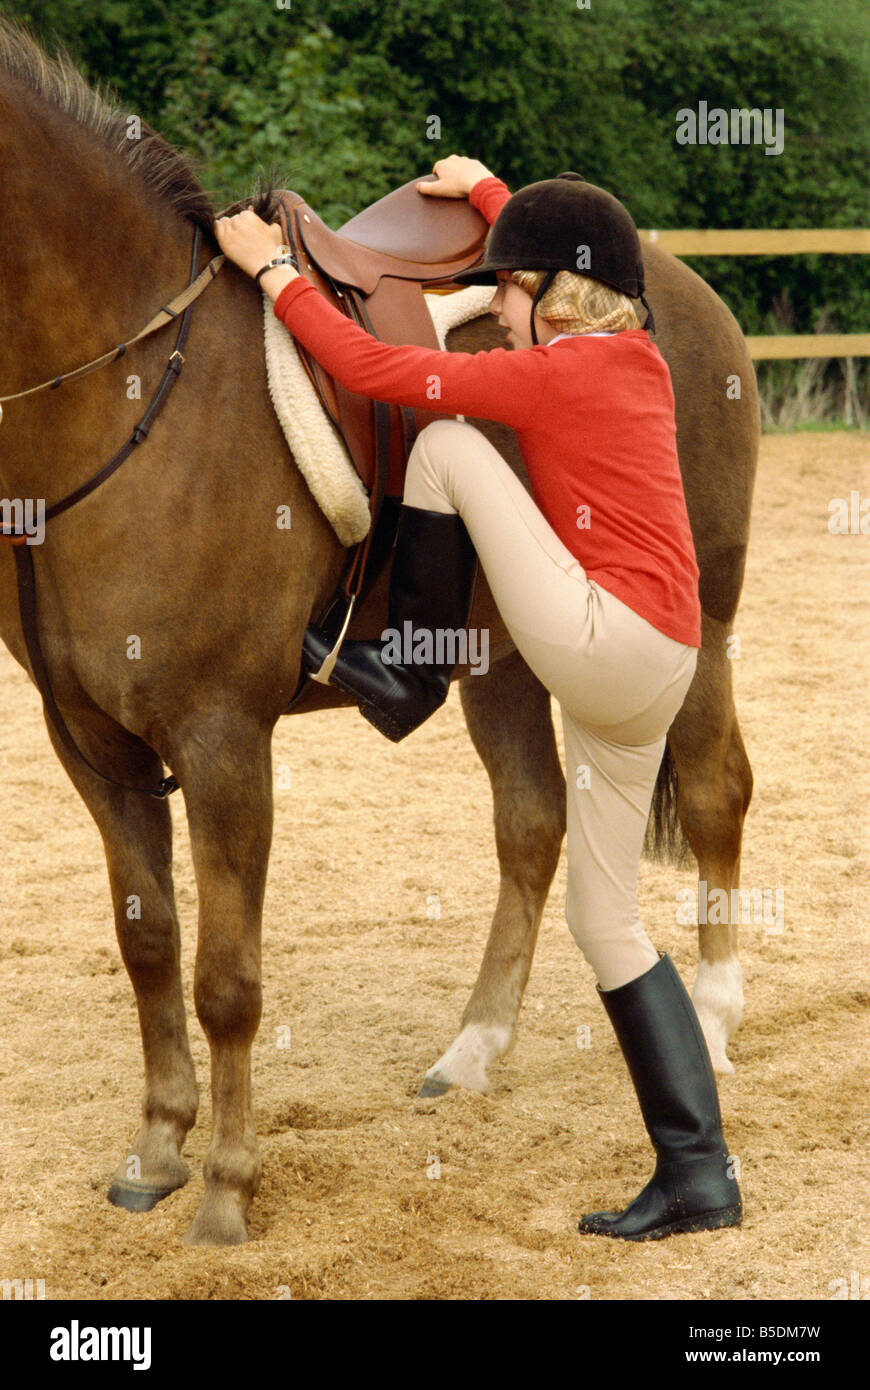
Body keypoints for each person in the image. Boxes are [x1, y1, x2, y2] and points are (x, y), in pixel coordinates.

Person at [215, 156, 742, 1241]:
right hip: (659, 667)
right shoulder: (633, 352)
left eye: (508, 290)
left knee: (448, 444)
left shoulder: (546, 376)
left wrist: (275, 275)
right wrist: (496, 193)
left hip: (601, 647)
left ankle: (406, 671)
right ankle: (701, 1175)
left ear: (555, 292)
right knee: (611, 923)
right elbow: (566, 254)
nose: (493, 310)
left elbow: (368, 365)